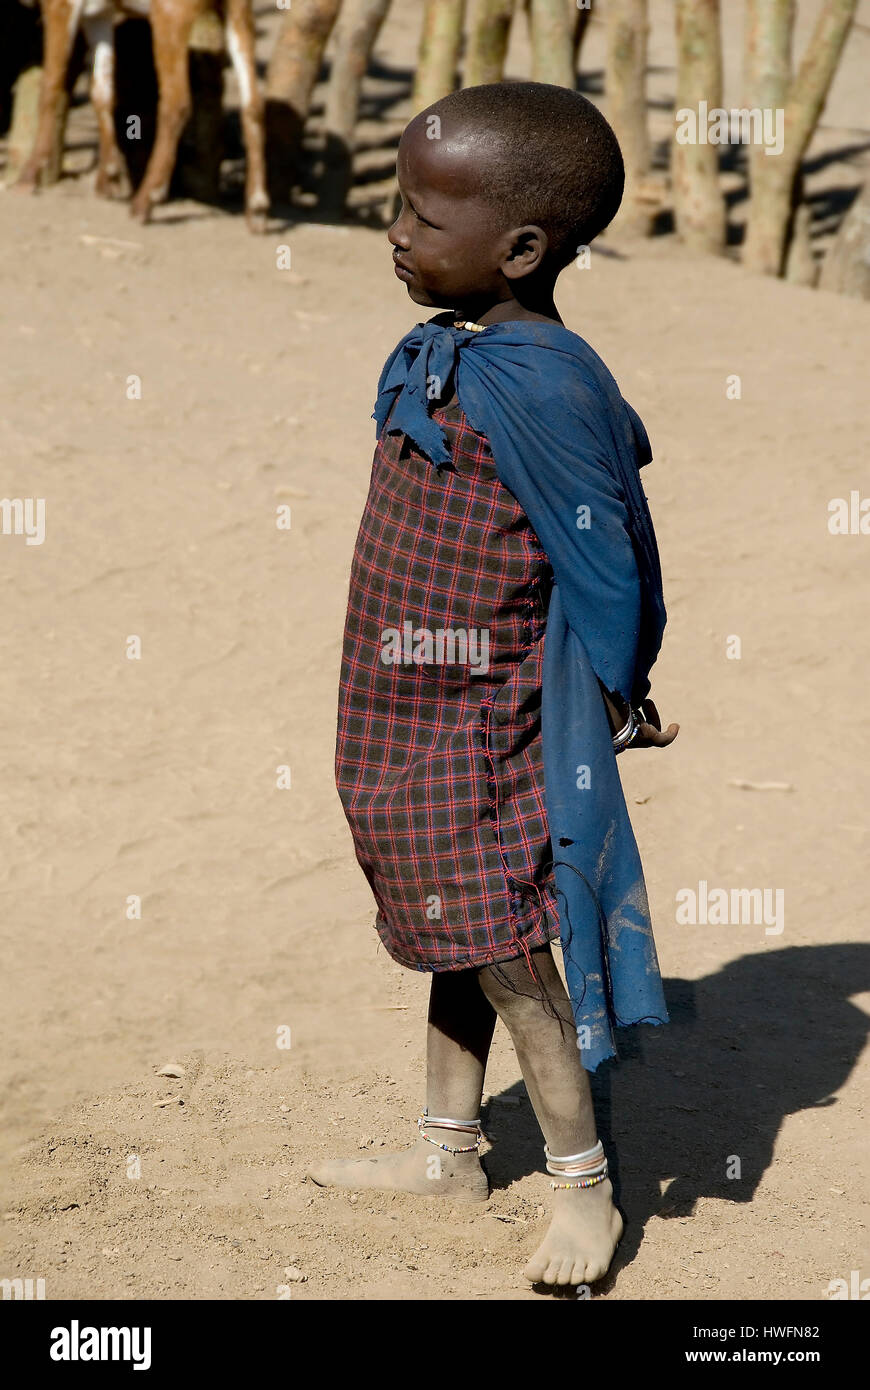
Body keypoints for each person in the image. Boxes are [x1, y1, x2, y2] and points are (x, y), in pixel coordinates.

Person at [310, 81, 679, 1289]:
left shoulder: (548, 381)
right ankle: (448, 1151)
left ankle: (586, 1189)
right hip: (398, 705)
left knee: (511, 952)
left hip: (485, 717)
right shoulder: (453, 351)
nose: (397, 232)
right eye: (398, 207)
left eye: (423, 214)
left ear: (520, 247)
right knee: (449, 934)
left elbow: (607, 549)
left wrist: (621, 686)